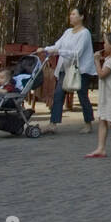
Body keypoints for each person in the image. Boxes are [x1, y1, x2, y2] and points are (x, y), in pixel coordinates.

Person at [38, 7, 97, 136]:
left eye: (74, 14)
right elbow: (57, 45)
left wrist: (59, 52)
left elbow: (78, 53)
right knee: (58, 94)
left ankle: (88, 124)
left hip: (81, 69)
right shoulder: (68, 32)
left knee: (82, 96)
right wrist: (45, 49)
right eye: (70, 14)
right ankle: (52, 124)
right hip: (66, 68)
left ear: (81, 17)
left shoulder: (85, 33)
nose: (71, 16)